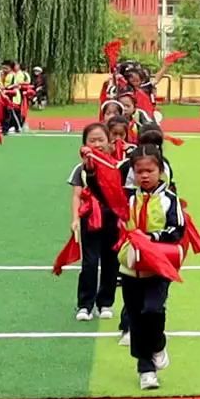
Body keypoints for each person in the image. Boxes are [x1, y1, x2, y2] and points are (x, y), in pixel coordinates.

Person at [121, 149, 183, 390]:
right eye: (139, 171)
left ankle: (158, 344)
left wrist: (151, 238)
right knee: (135, 318)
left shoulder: (169, 199)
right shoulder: (127, 199)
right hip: (131, 268)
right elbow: (103, 192)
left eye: (150, 170)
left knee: (153, 310)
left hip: (158, 267)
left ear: (161, 172)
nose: (145, 176)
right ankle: (146, 369)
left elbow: (177, 229)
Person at [68, 123, 125, 322]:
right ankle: (85, 304)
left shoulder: (117, 166)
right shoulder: (81, 169)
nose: (97, 144)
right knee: (90, 262)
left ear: (109, 142)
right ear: (85, 144)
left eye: (101, 139)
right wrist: (75, 219)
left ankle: (105, 303)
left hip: (113, 219)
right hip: (90, 218)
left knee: (111, 261)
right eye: (92, 140)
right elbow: (76, 195)